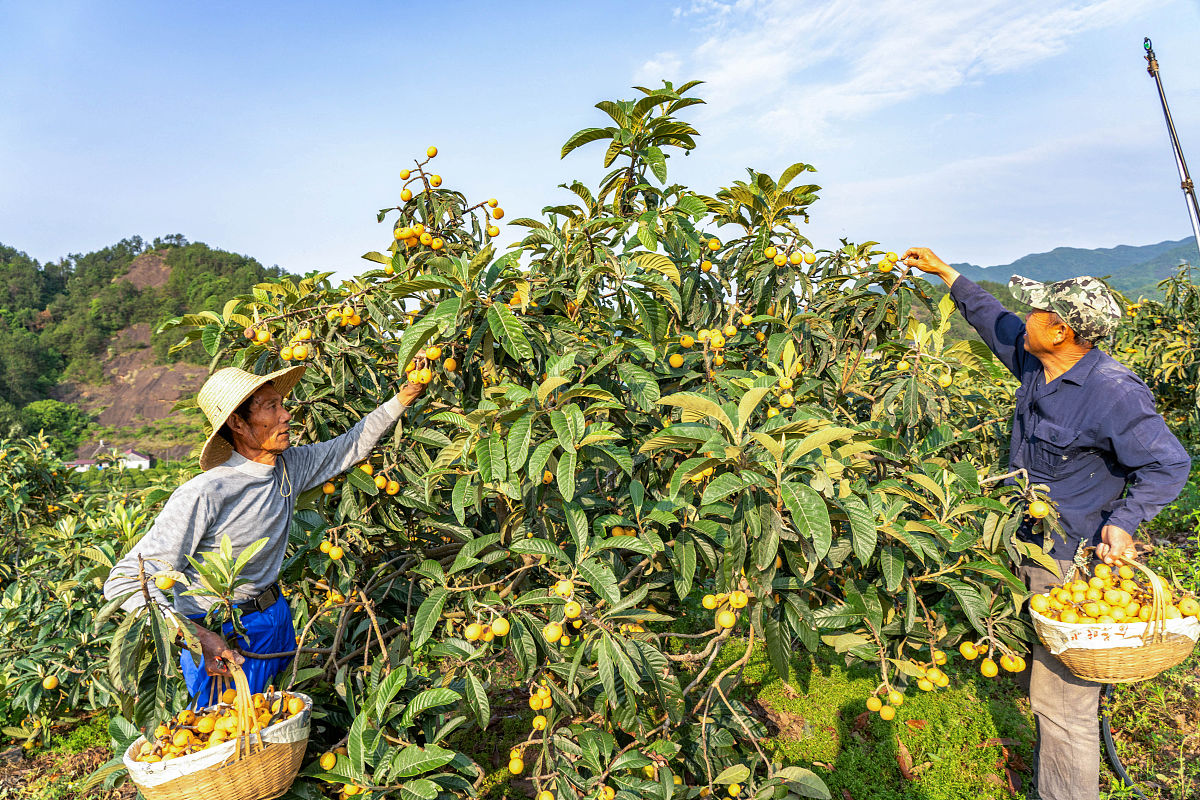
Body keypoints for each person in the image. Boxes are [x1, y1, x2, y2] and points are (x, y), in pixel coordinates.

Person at [901, 248, 1190, 800]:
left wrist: (1125, 522)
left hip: (1069, 555)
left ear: (1060, 331)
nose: (1024, 314)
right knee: (1045, 685)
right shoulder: (1039, 360)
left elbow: (1169, 462)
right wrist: (945, 273)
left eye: (1038, 311)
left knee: (1062, 705)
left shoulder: (1113, 392)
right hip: (1025, 539)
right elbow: (995, 320)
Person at [103, 361, 426, 705]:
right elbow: (122, 582)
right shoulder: (206, 492)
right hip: (222, 637)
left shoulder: (289, 467)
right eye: (271, 407)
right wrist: (196, 636)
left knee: (283, 718)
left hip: (275, 615)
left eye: (281, 405)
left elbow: (350, 446)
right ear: (238, 423)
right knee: (230, 737)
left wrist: (405, 397)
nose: (286, 415)